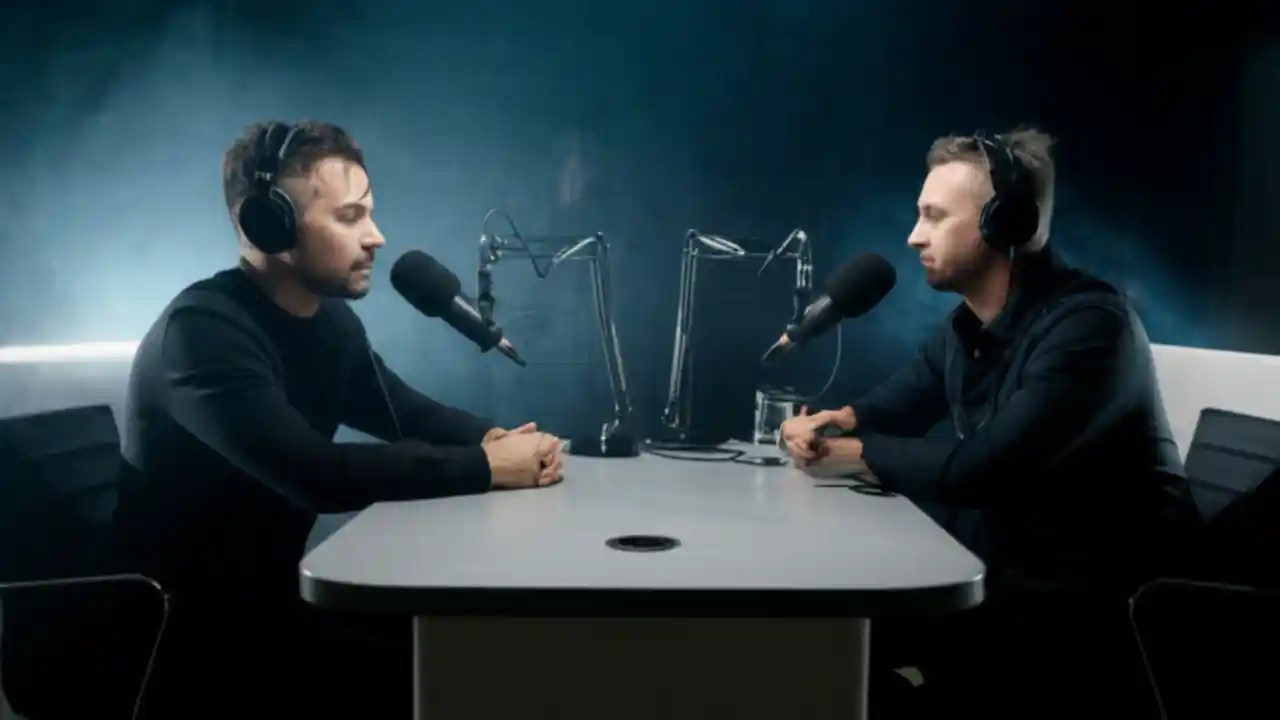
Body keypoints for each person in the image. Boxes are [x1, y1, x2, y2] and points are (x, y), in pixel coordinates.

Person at [110, 120, 565, 716]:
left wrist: (496, 439)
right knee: (453, 671)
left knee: (468, 644)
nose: (376, 237)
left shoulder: (329, 325)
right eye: (350, 217)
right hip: (189, 638)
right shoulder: (202, 335)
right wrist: (486, 467)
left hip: (273, 608)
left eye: (369, 213)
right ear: (267, 224)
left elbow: (405, 413)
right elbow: (318, 474)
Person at [779, 127, 1198, 715]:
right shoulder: (964, 328)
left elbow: (983, 468)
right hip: (1012, 581)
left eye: (934, 216)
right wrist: (831, 423)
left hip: (1094, 615)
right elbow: (888, 410)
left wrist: (844, 452)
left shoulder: (1090, 327)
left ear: (1005, 224)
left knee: (843, 653)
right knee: (821, 643)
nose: (913, 236)